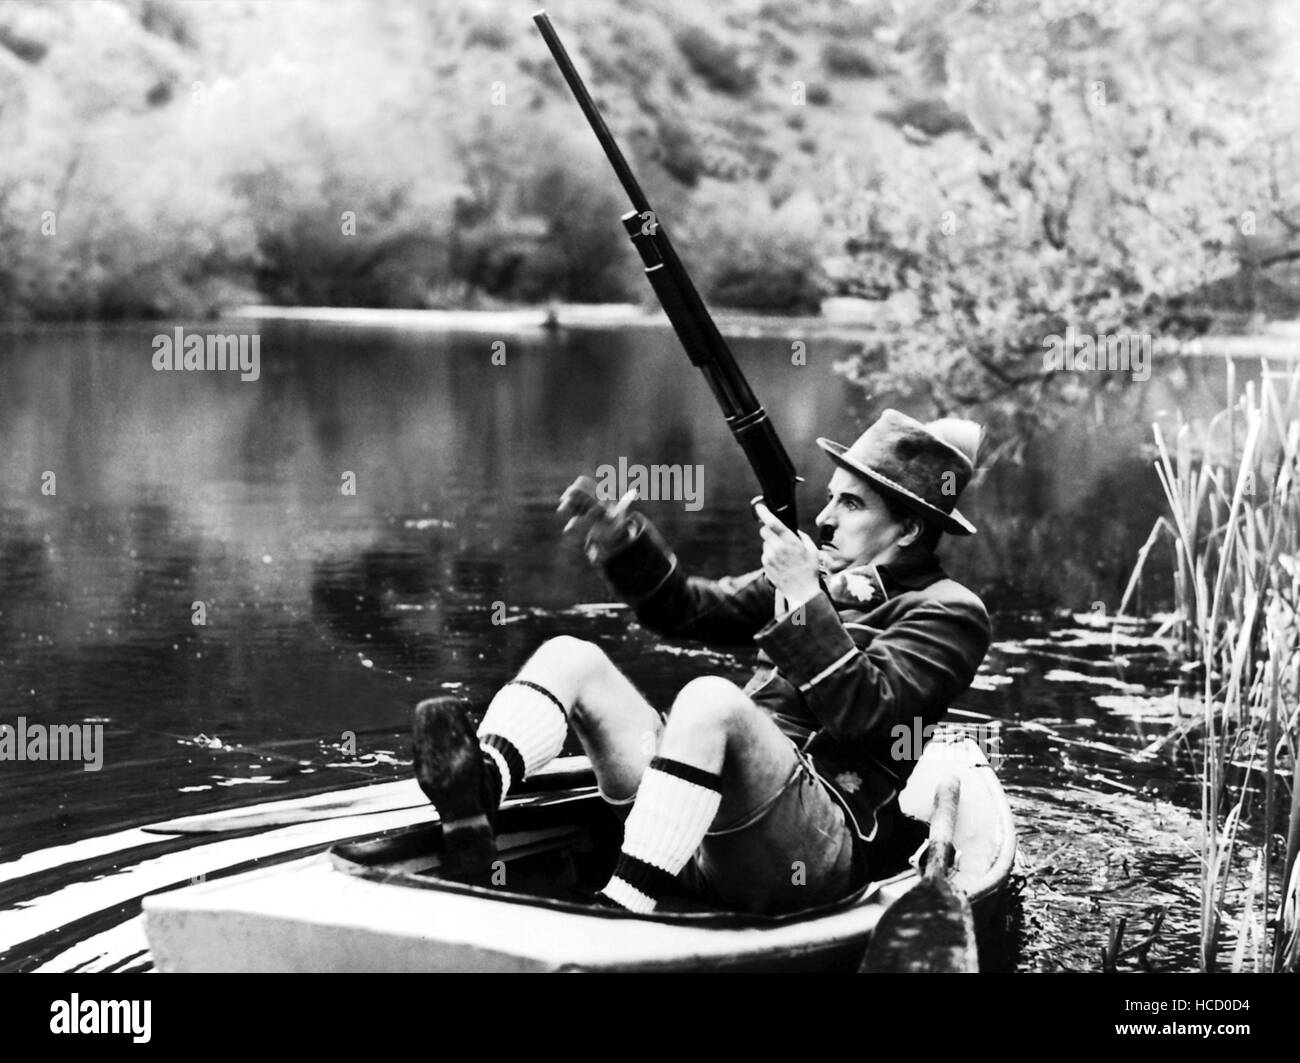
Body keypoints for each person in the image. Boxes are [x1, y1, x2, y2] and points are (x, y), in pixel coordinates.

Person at [413, 408, 991, 915]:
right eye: (833, 496)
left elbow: (865, 711)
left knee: (711, 699)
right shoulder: (818, 574)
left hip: (810, 849)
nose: (825, 519)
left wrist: (802, 595)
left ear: (910, 528)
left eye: (851, 502)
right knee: (573, 658)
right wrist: (626, 545)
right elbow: (686, 611)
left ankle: (621, 911)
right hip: (688, 832)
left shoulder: (950, 611)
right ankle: (481, 790)